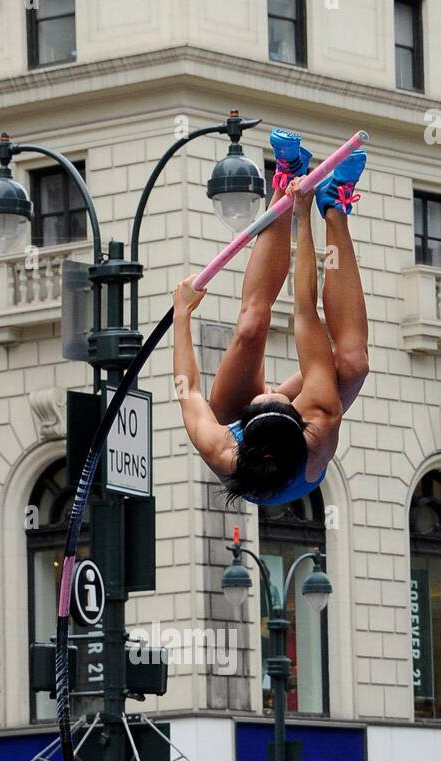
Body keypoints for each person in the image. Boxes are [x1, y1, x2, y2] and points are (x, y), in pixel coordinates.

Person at [172, 132, 368, 506]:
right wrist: (304, 217)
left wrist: (182, 313)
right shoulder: (320, 424)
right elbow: (305, 310)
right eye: (276, 396)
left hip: (249, 430)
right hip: (295, 451)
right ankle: (335, 208)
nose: (268, 389)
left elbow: (188, 390)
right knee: (354, 363)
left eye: (263, 396)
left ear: (241, 428)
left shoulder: (220, 446)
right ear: (298, 414)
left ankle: (285, 175)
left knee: (250, 325)